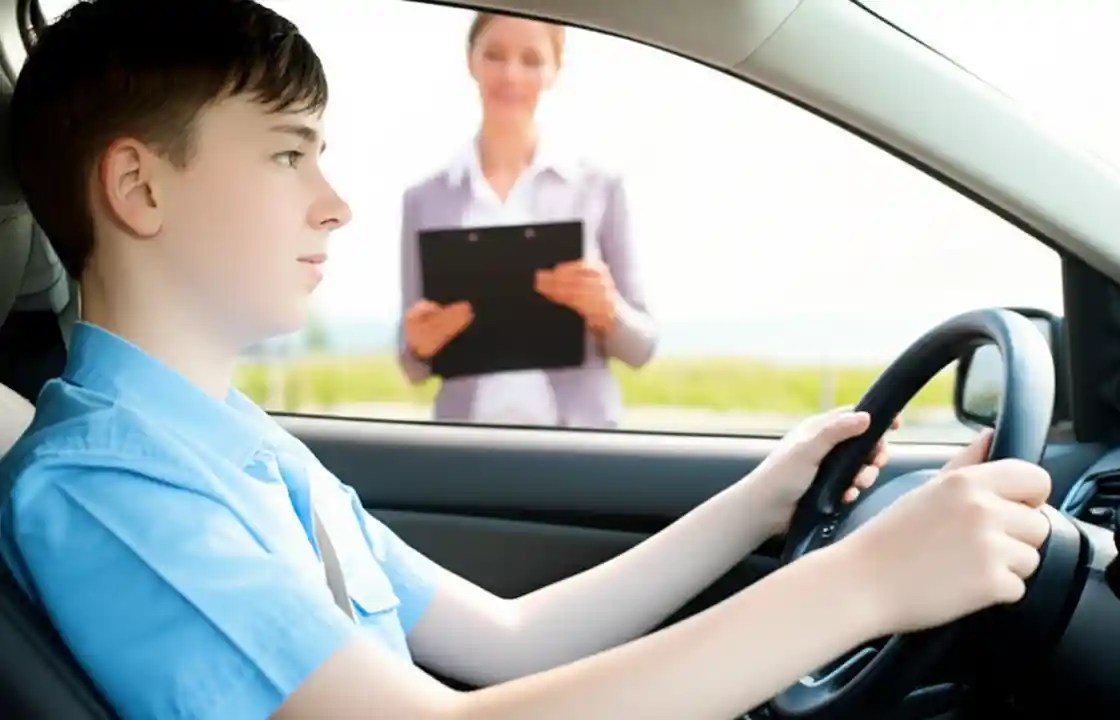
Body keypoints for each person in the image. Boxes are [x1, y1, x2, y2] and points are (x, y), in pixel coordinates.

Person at [0, 2, 1053, 719]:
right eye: (287, 153)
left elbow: (508, 639)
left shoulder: (230, 441)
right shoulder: (105, 485)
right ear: (139, 188)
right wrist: (866, 581)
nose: (335, 201)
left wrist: (760, 503)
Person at [398, 12, 657, 429]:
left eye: (532, 59)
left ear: (556, 70)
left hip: (576, 448)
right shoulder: (426, 199)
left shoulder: (599, 188)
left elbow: (642, 348)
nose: (511, 74)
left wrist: (607, 311)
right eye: (495, 54)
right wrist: (419, 346)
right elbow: (411, 364)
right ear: (471, 60)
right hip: (465, 446)